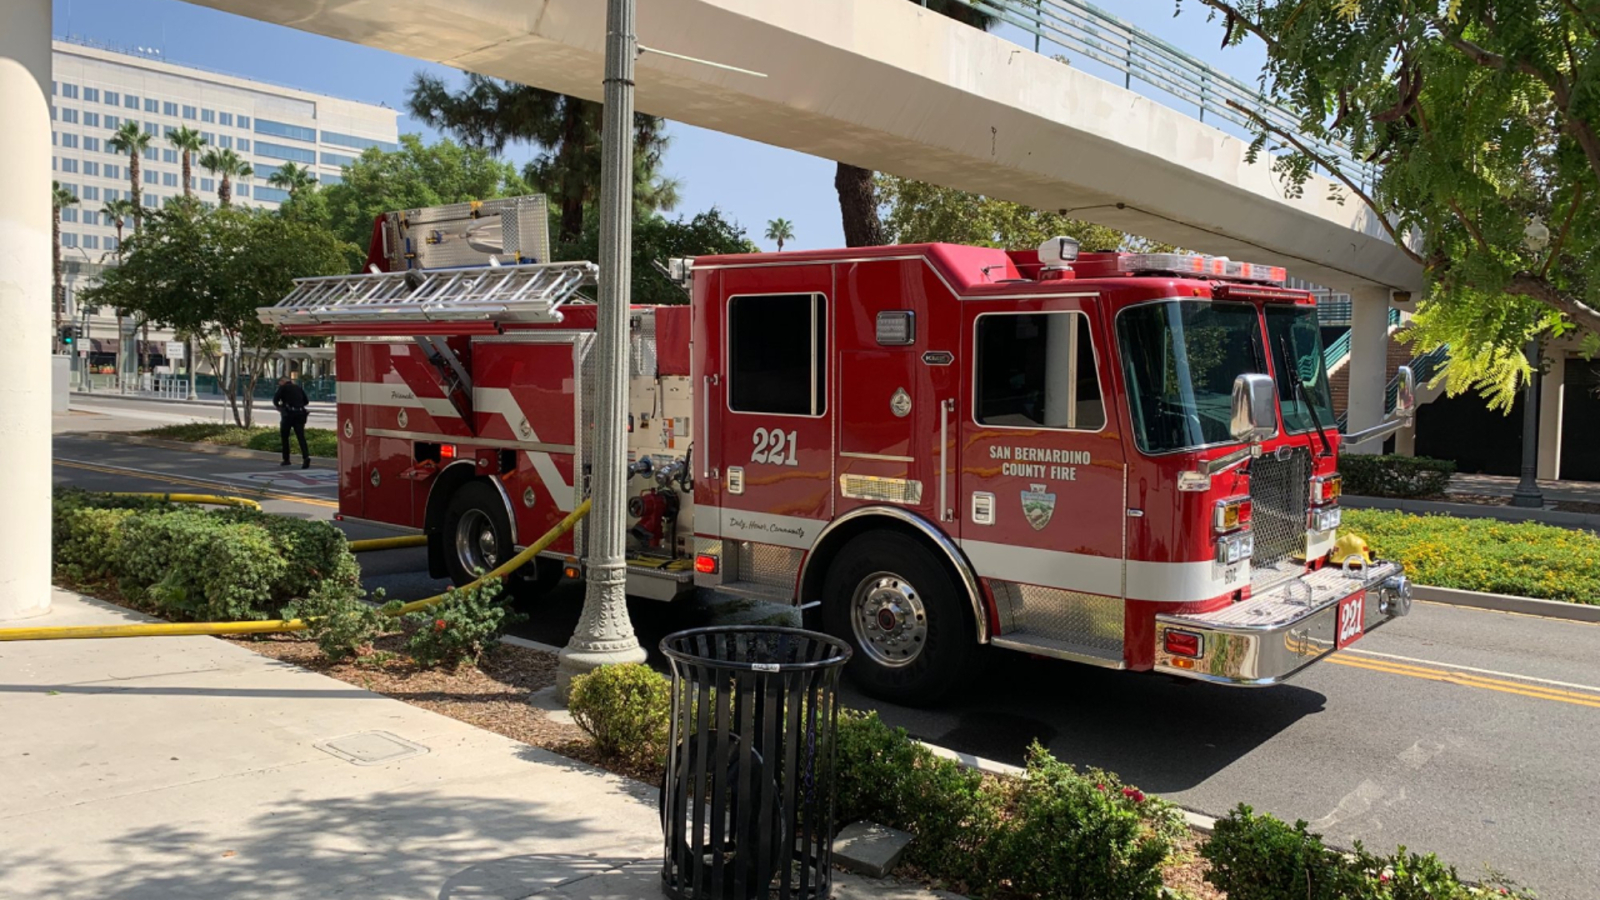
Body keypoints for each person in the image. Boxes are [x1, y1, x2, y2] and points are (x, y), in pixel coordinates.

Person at [273, 375, 311, 469]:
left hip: (289, 415)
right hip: (300, 414)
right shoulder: (298, 387)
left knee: (285, 436)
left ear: (283, 381)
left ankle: (286, 459)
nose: (279, 384)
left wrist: (281, 407)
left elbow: (275, 400)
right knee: (301, 436)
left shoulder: (283, 388)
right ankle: (306, 457)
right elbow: (306, 401)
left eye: (280, 382)